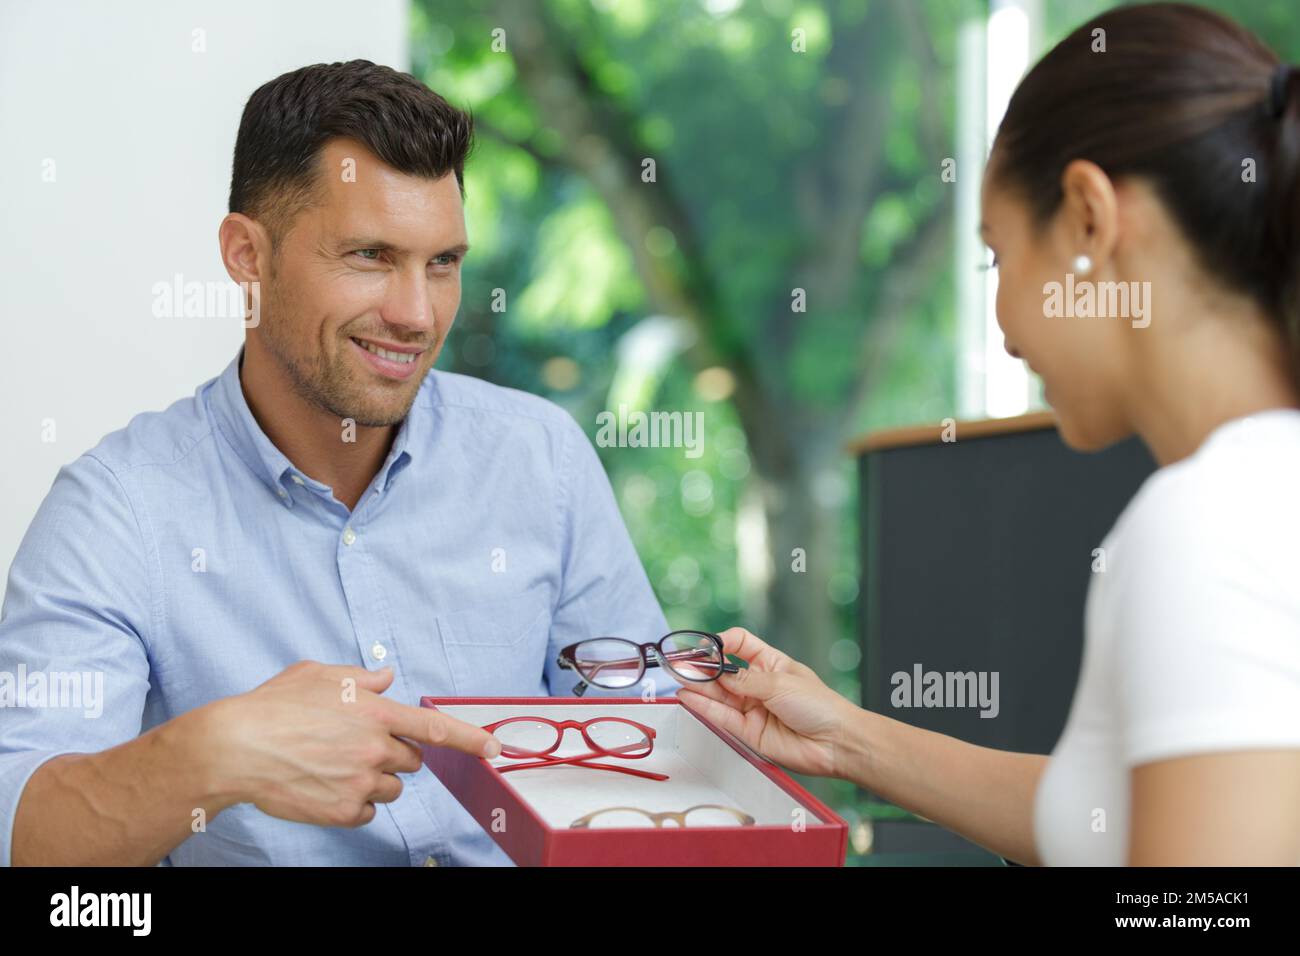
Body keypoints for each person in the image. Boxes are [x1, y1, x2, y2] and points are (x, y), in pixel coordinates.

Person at [0, 60, 677, 867]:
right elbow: (24, 833)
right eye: (368, 256)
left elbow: (648, 756)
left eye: (443, 263)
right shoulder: (117, 509)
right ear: (247, 256)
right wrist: (220, 750)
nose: (416, 315)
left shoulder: (542, 458)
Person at [679, 2, 1300, 865]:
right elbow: (1115, 820)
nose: (1004, 326)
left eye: (996, 258)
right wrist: (848, 741)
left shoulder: (1205, 524)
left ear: (1088, 216)